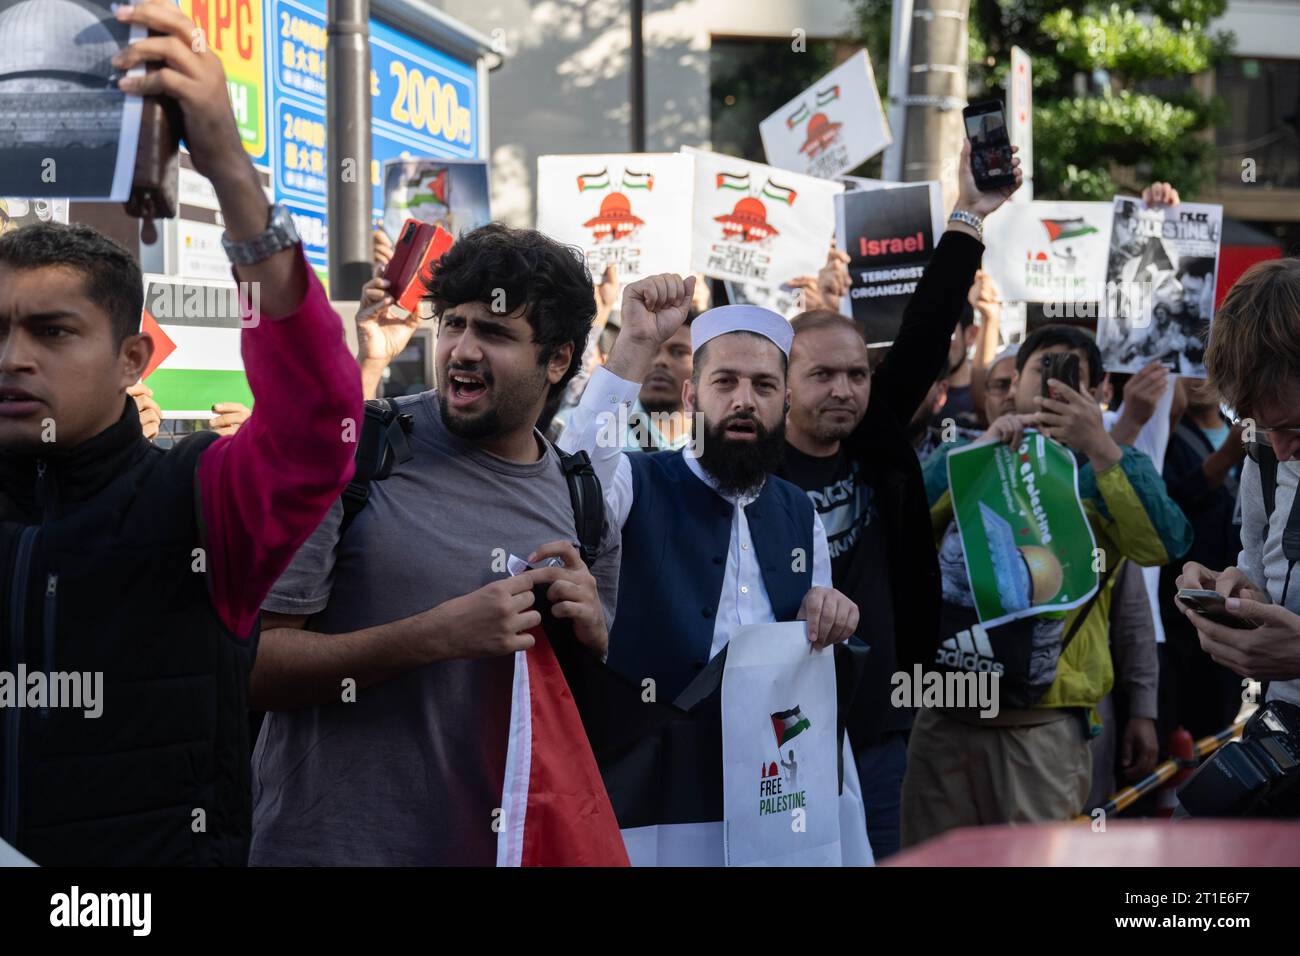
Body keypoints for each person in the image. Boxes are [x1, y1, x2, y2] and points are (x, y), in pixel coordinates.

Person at [0, 0, 362, 865]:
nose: (12, 358)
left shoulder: (201, 502)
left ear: (133, 358)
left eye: (52, 333)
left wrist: (227, 164)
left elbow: (320, 419)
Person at [249, 223, 620, 866]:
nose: (462, 351)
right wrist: (437, 635)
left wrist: (595, 640)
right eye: (453, 323)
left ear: (557, 359)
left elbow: (594, 722)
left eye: (496, 333)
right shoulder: (351, 449)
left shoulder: (584, 503)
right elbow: (254, 667)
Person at [777, 138, 1021, 859]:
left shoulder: (876, 441)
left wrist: (969, 214)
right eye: (822, 376)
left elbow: (924, 328)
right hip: (777, 728)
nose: (844, 390)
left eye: (856, 374)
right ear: (782, 384)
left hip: (882, 729)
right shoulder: (748, 467)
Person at [903, 323, 1192, 845]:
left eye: (1072, 377)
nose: (1054, 386)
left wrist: (1102, 446)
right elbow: (899, 527)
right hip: (944, 714)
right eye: (1042, 371)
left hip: (1043, 728)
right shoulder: (972, 452)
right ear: (1013, 384)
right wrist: (977, 454)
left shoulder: (1103, 473)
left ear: (1100, 393)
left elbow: (1163, 546)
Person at [558, 278, 861, 707]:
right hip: (644, 761)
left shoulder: (799, 512)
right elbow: (565, 492)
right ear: (690, 396)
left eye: (764, 385)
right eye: (725, 382)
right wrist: (636, 342)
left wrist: (828, 609)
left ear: (787, 402)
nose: (744, 401)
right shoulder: (635, 480)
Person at [1178, 257, 1300, 702]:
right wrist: (1233, 591)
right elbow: (1265, 575)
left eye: (1293, 427)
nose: (1282, 448)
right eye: (1260, 425)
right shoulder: (1263, 456)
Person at [1159, 377, 1247, 739]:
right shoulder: (1166, 436)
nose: (1198, 376)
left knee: (1221, 716)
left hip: (1234, 601)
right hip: (1178, 604)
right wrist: (1224, 458)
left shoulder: (1243, 432)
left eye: (1208, 365)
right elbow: (1166, 511)